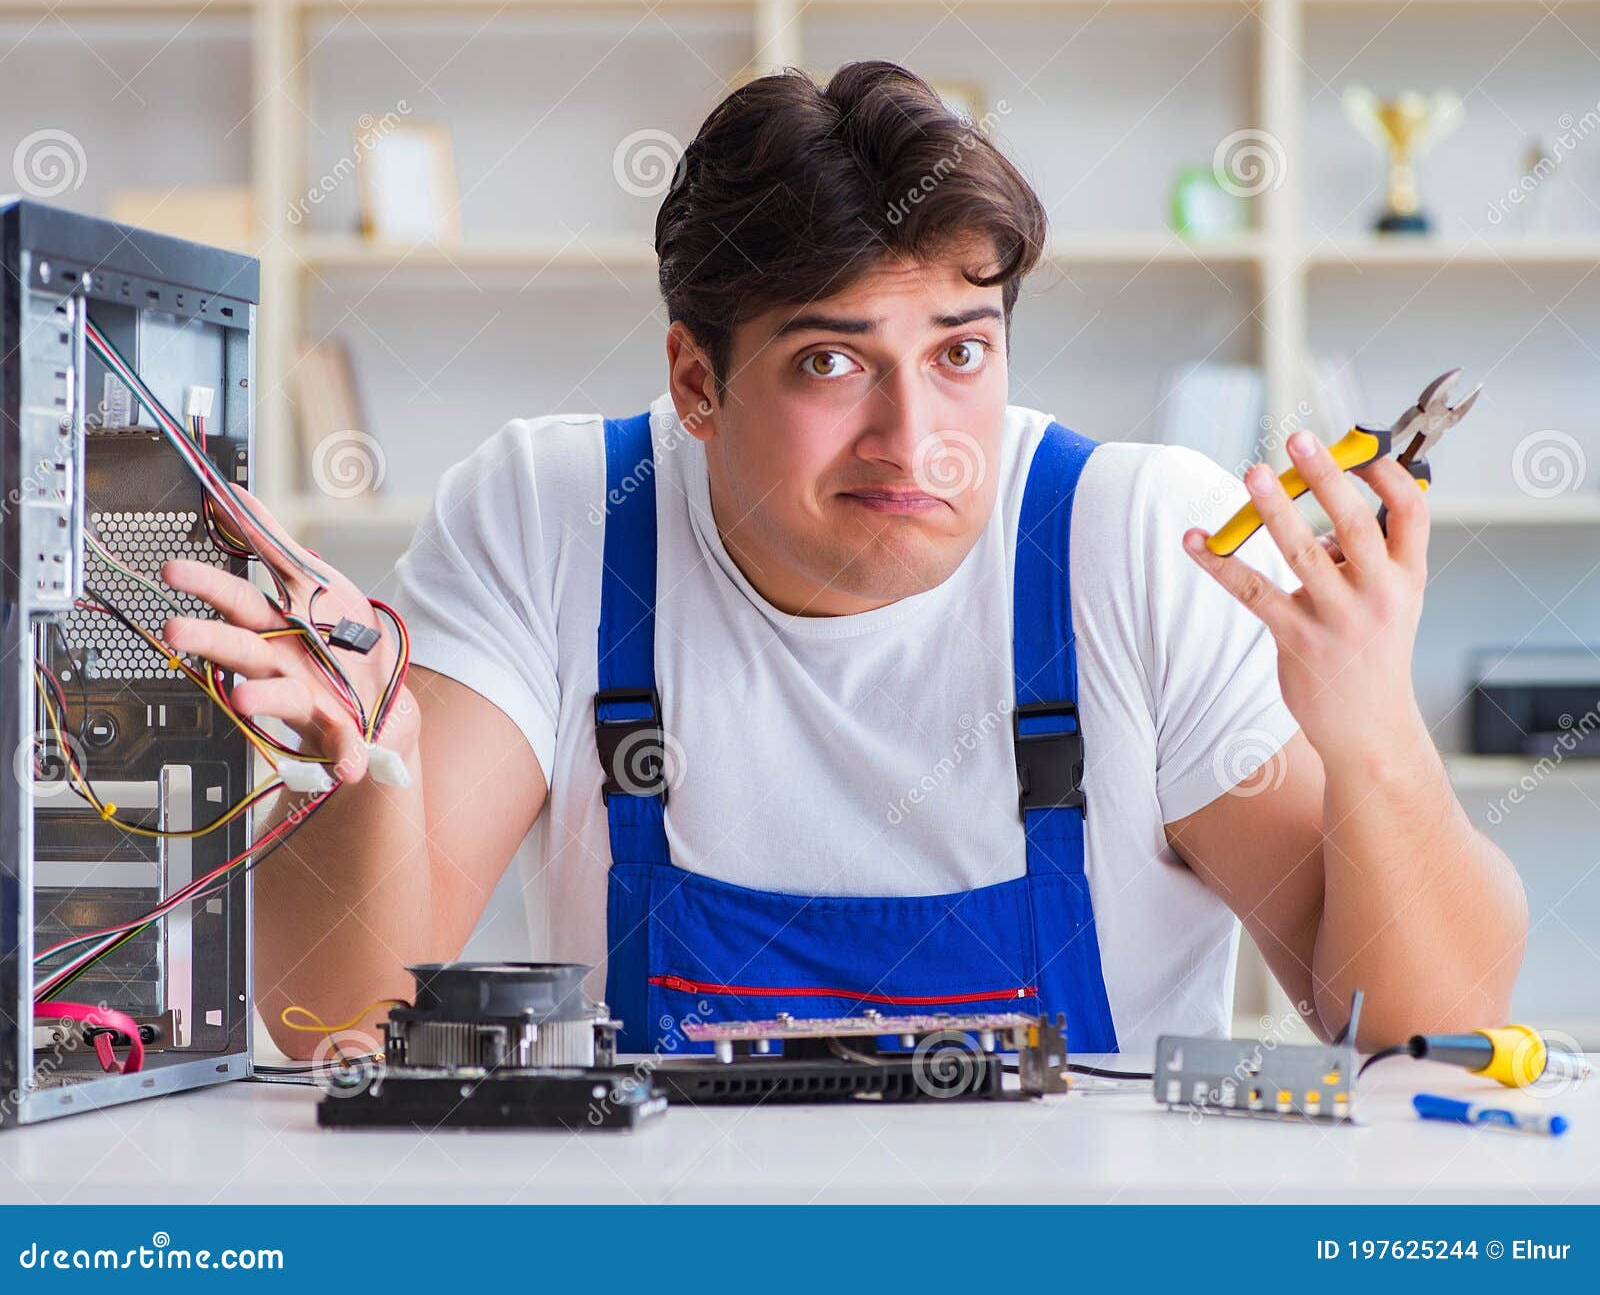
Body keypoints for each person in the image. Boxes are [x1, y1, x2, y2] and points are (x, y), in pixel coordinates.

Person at [163, 61, 1526, 1060]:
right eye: (831, 360)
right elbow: (326, 1025)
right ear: (696, 378)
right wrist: (364, 769)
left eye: (961, 350)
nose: (915, 438)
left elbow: (1416, 1036)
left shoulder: (1133, 546)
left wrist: (1376, 735)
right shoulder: (562, 511)